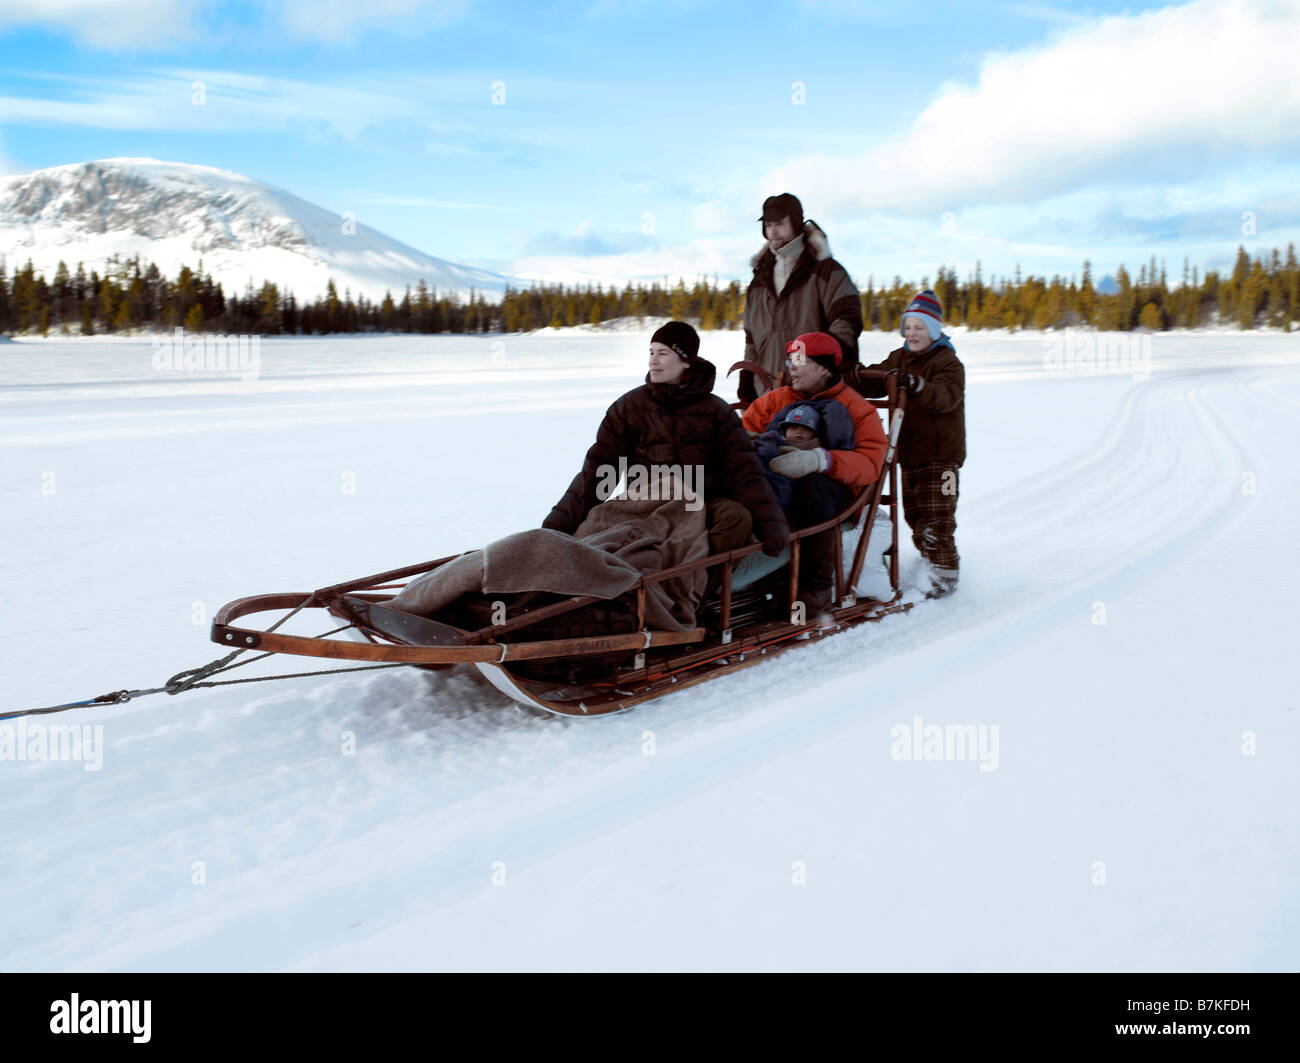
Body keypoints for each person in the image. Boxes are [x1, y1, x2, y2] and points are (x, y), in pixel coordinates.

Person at [543, 320, 789, 560]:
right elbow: (599, 471)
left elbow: (744, 474)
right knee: (598, 532)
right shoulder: (628, 407)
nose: (653, 360)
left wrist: (770, 524)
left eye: (663, 353)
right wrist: (557, 525)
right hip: (647, 503)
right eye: (651, 352)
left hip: (700, 502)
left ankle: (692, 585)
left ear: (685, 361)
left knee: (736, 518)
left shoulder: (717, 412)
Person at [741, 331, 887, 610]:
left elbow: (871, 464)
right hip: (777, 482)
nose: (791, 367)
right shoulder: (775, 401)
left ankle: (816, 585)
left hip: (833, 494)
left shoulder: (858, 408)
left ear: (824, 367)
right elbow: (742, 433)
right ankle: (760, 575)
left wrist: (822, 460)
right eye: (789, 361)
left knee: (811, 491)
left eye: (799, 360)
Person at [855, 290, 965, 598]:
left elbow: (945, 396)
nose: (912, 333)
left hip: (943, 460)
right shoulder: (899, 357)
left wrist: (917, 385)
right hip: (911, 456)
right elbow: (878, 379)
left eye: (920, 327)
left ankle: (944, 580)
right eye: (909, 326)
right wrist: (853, 375)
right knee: (915, 518)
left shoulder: (948, 363)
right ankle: (930, 568)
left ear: (933, 330)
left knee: (937, 520)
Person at [739, 193, 862, 404]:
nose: (773, 231)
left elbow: (846, 319)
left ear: (795, 223)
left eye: (779, 223)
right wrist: (747, 374)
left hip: (816, 394)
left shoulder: (825, 270)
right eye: (768, 225)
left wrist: (825, 366)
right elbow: (752, 337)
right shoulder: (759, 279)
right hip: (768, 394)